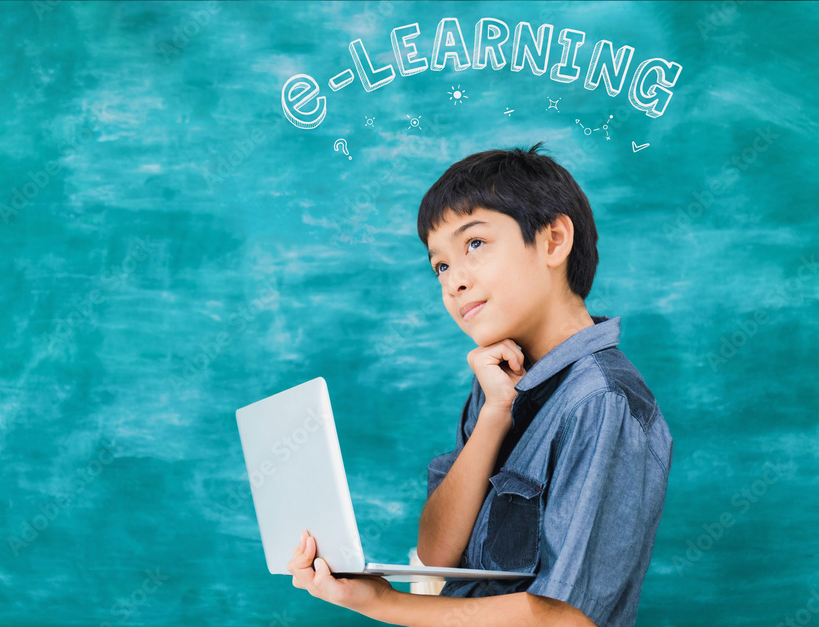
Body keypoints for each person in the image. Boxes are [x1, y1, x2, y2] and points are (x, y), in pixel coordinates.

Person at [287, 142, 673, 626]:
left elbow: (566, 618)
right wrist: (493, 415)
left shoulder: (602, 400)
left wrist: (383, 603)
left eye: (474, 244)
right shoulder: (498, 381)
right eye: (441, 266)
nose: (453, 282)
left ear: (554, 241)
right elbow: (435, 550)